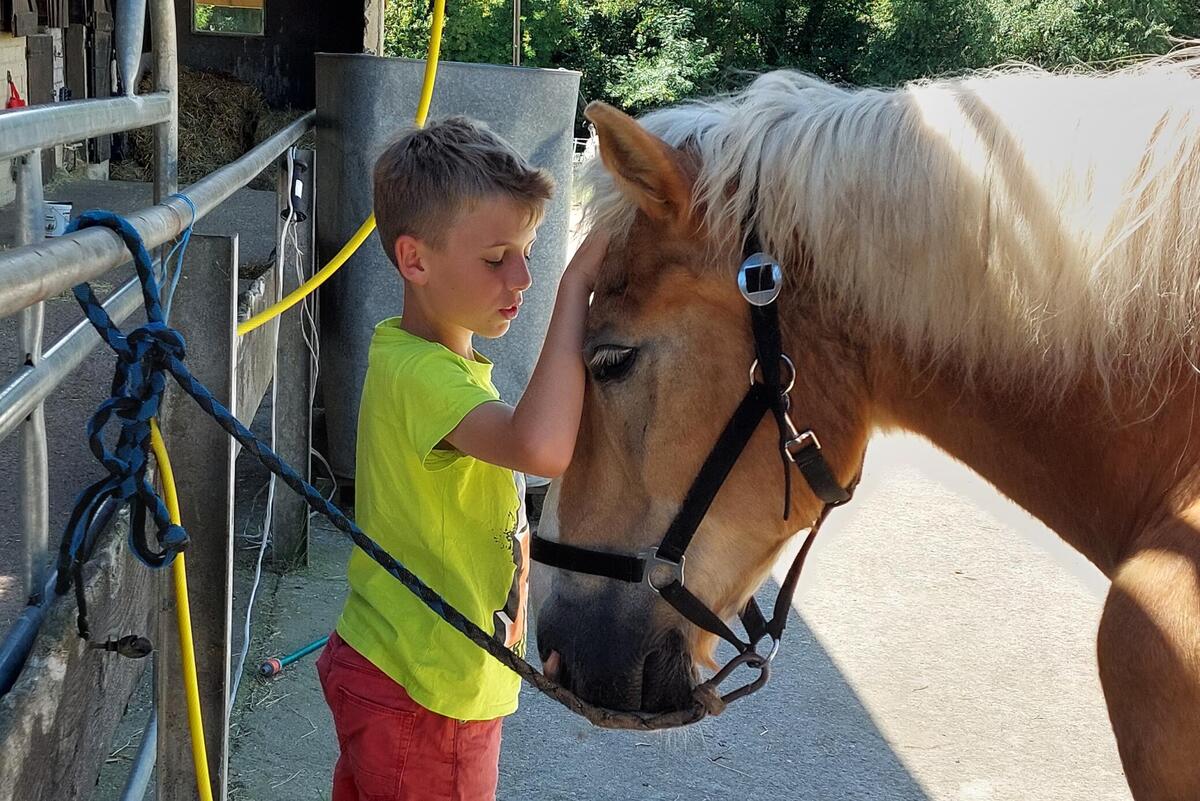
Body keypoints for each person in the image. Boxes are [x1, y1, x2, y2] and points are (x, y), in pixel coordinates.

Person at [316, 115, 607, 801]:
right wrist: (575, 291)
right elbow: (540, 447)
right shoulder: (424, 376)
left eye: (529, 252)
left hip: (405, 669)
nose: (524, 277)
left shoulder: (436, 363)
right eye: (496, 258)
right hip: (428, 694)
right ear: (415, 261)